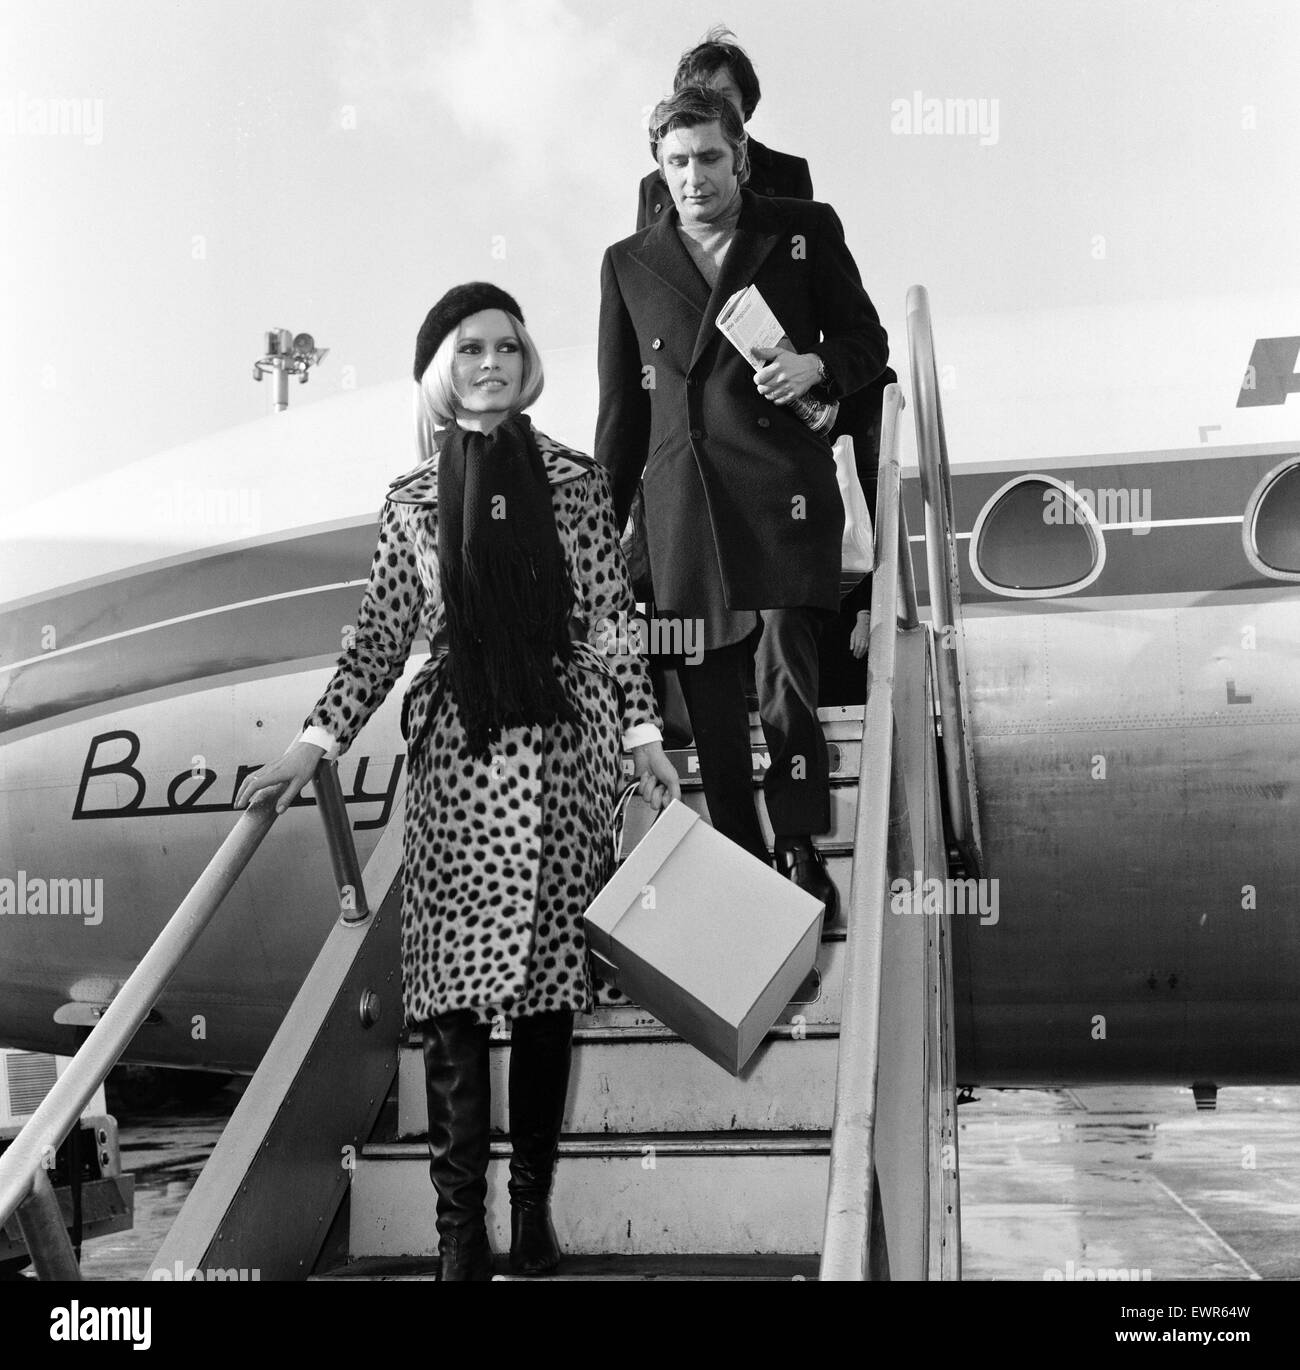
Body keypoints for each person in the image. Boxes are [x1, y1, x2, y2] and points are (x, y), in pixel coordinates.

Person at [235, 282, 680, 1282]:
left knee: (546, 993)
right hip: (458, 761)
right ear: (441, 367)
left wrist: (642, 725)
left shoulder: (574, 479)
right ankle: (456, 1230)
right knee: (447, 998)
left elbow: (609, 613)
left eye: (508, 346)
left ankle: (529, 1213)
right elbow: (380, 637)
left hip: (565, 750)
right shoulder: (408, 499)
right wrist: (314, 739)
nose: (491, 361)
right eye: (471, 347)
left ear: (527, 365)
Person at [597, 87, 890, 920]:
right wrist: (598, 528)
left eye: (710, 158)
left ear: (741, 156)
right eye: (677, 162)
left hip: (781, 494)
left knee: (786, 673)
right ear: (660, 167)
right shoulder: (627, 262)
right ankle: (745, 861)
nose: (695, 177)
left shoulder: (801, 230)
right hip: (682, 505)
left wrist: (815, 366)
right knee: (715, 703)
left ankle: (800, 849)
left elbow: (871, 342)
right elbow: (620, 413)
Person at [635, 26, 812, 230]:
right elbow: (642, 256)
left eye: (723, 97)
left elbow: (803, 252)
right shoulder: (653, 187)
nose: (713, 109)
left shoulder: (788, 173)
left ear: (746, 101)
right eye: (700, 98)